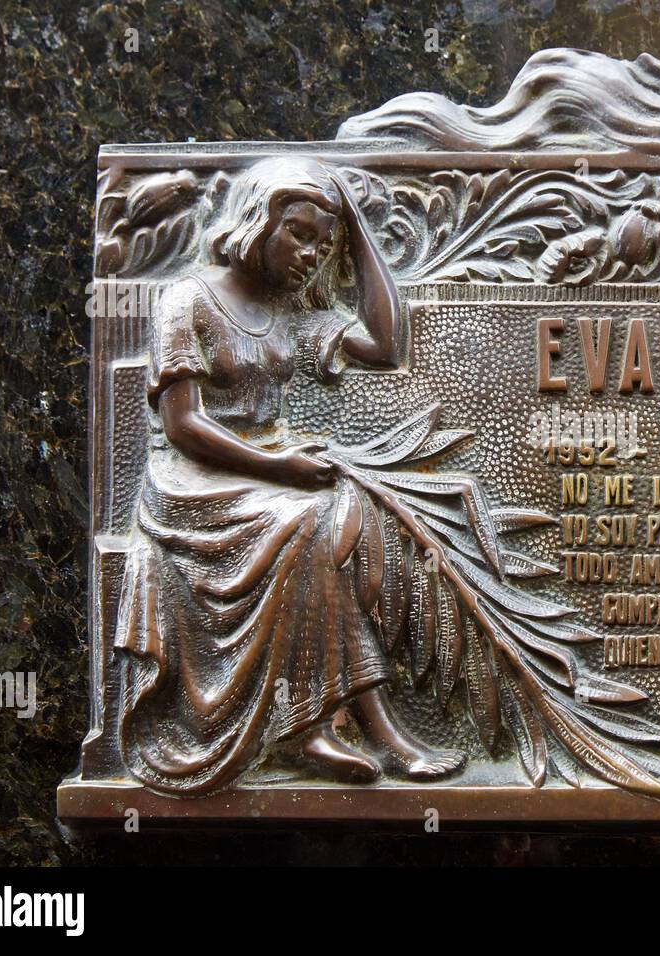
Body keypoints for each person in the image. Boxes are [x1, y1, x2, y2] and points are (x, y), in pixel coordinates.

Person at [115, 157, 465, 795]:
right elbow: (182, 423)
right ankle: (355, 729)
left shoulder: (291, 312)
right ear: (258, 221)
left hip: (270, 466)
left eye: (323, 244)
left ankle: (329, 721)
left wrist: (356, 230)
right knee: (308, 520)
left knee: (354, 514)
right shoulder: (187, 298)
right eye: (300, 234)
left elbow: (387, 344)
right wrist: (277, 466)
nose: (311, 254)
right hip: (193, 480)